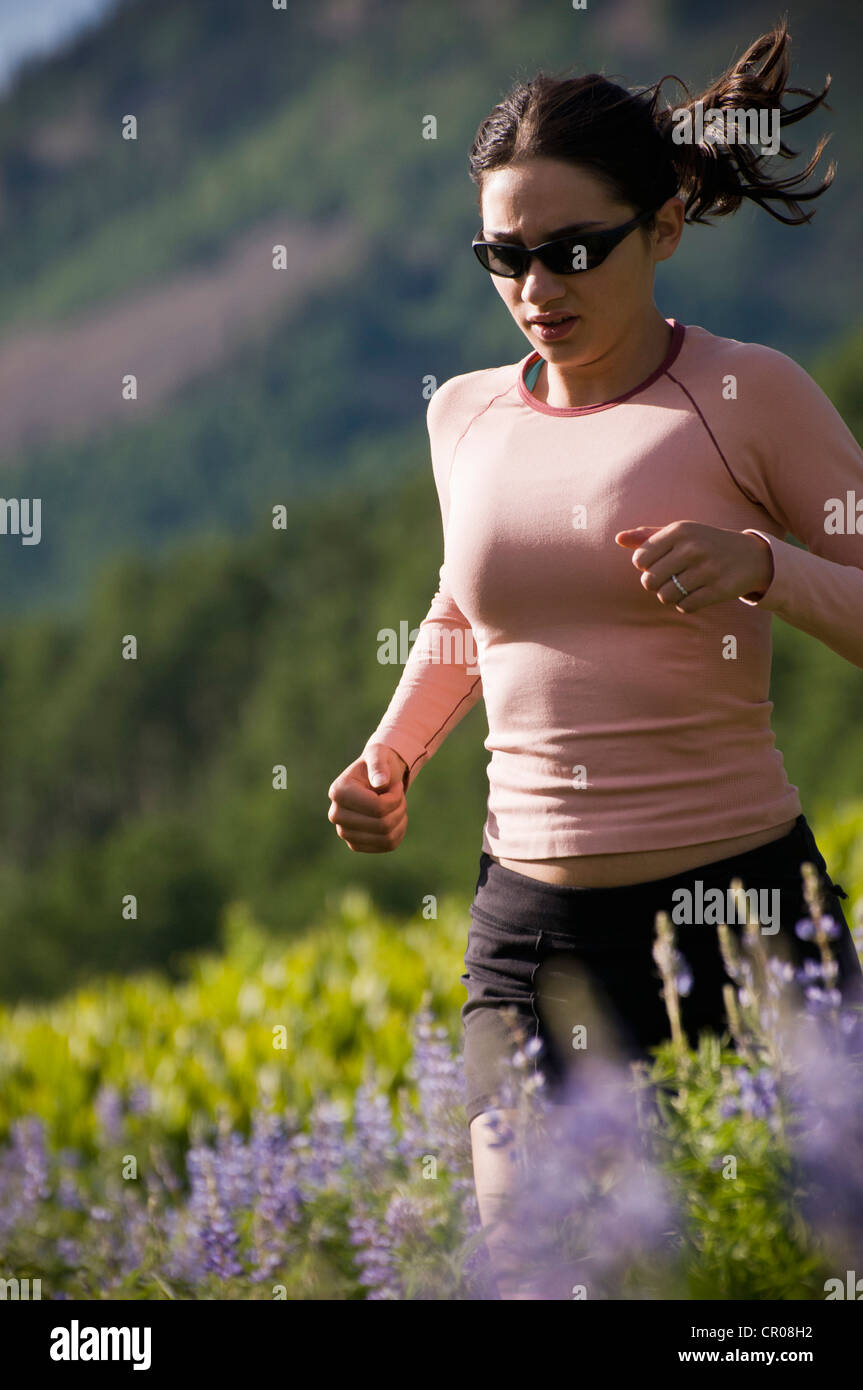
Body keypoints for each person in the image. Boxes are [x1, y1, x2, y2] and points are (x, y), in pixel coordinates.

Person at [326, 20, 863, 1298]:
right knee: (531, 1270)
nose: (534, 286)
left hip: (737, 913)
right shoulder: (461, 412)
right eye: (500, 256)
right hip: (529, 928)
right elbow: (468, 606)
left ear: (662, 227)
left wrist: (763, 567)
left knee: (794, 1274)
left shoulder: (749, 394)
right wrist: (392, 751)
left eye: (571, 251)